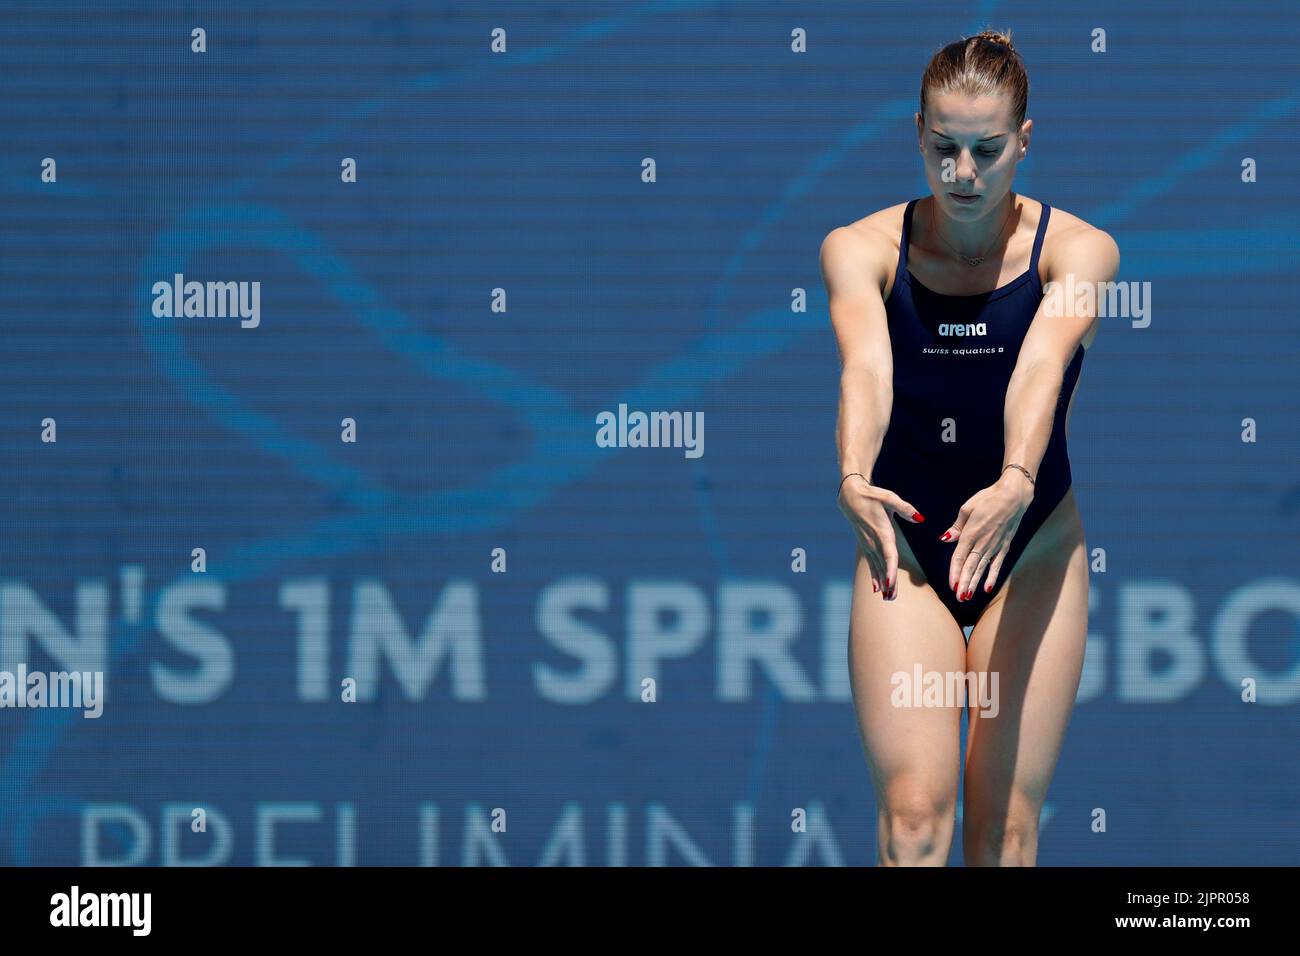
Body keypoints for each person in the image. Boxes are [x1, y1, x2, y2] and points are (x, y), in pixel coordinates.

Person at [820, 29, 1119, 865]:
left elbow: (1040, 368)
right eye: (943, 146)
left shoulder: (1082, 250)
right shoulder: (859, 249)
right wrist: (850, 472)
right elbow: (868, 371)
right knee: (915, 823)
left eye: (986, 150)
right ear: (917, 129)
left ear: (1025, 139)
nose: (962, 172)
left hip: (1032, 552)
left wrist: (1019, 476)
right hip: (905, 555)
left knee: (1003, 831)